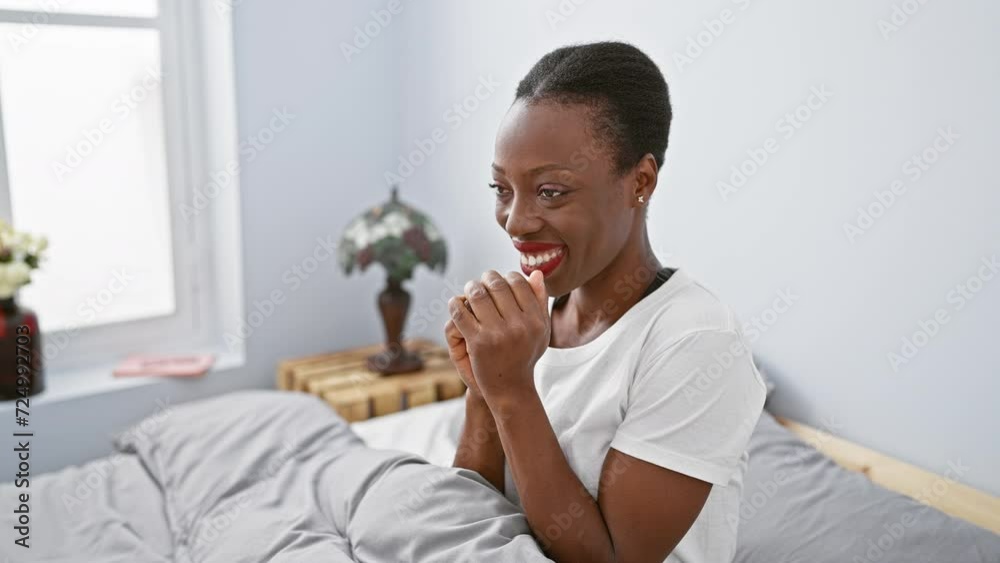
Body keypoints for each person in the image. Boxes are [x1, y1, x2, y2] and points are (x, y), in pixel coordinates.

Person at [445, 41, 766, 563]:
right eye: (501, 189)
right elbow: (471, 512)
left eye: (550, 191)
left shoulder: (697, 339)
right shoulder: (534, 319)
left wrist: (511, 392)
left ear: (640, 182)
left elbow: (614, 558)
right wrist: (483, 390)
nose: (515, 221)